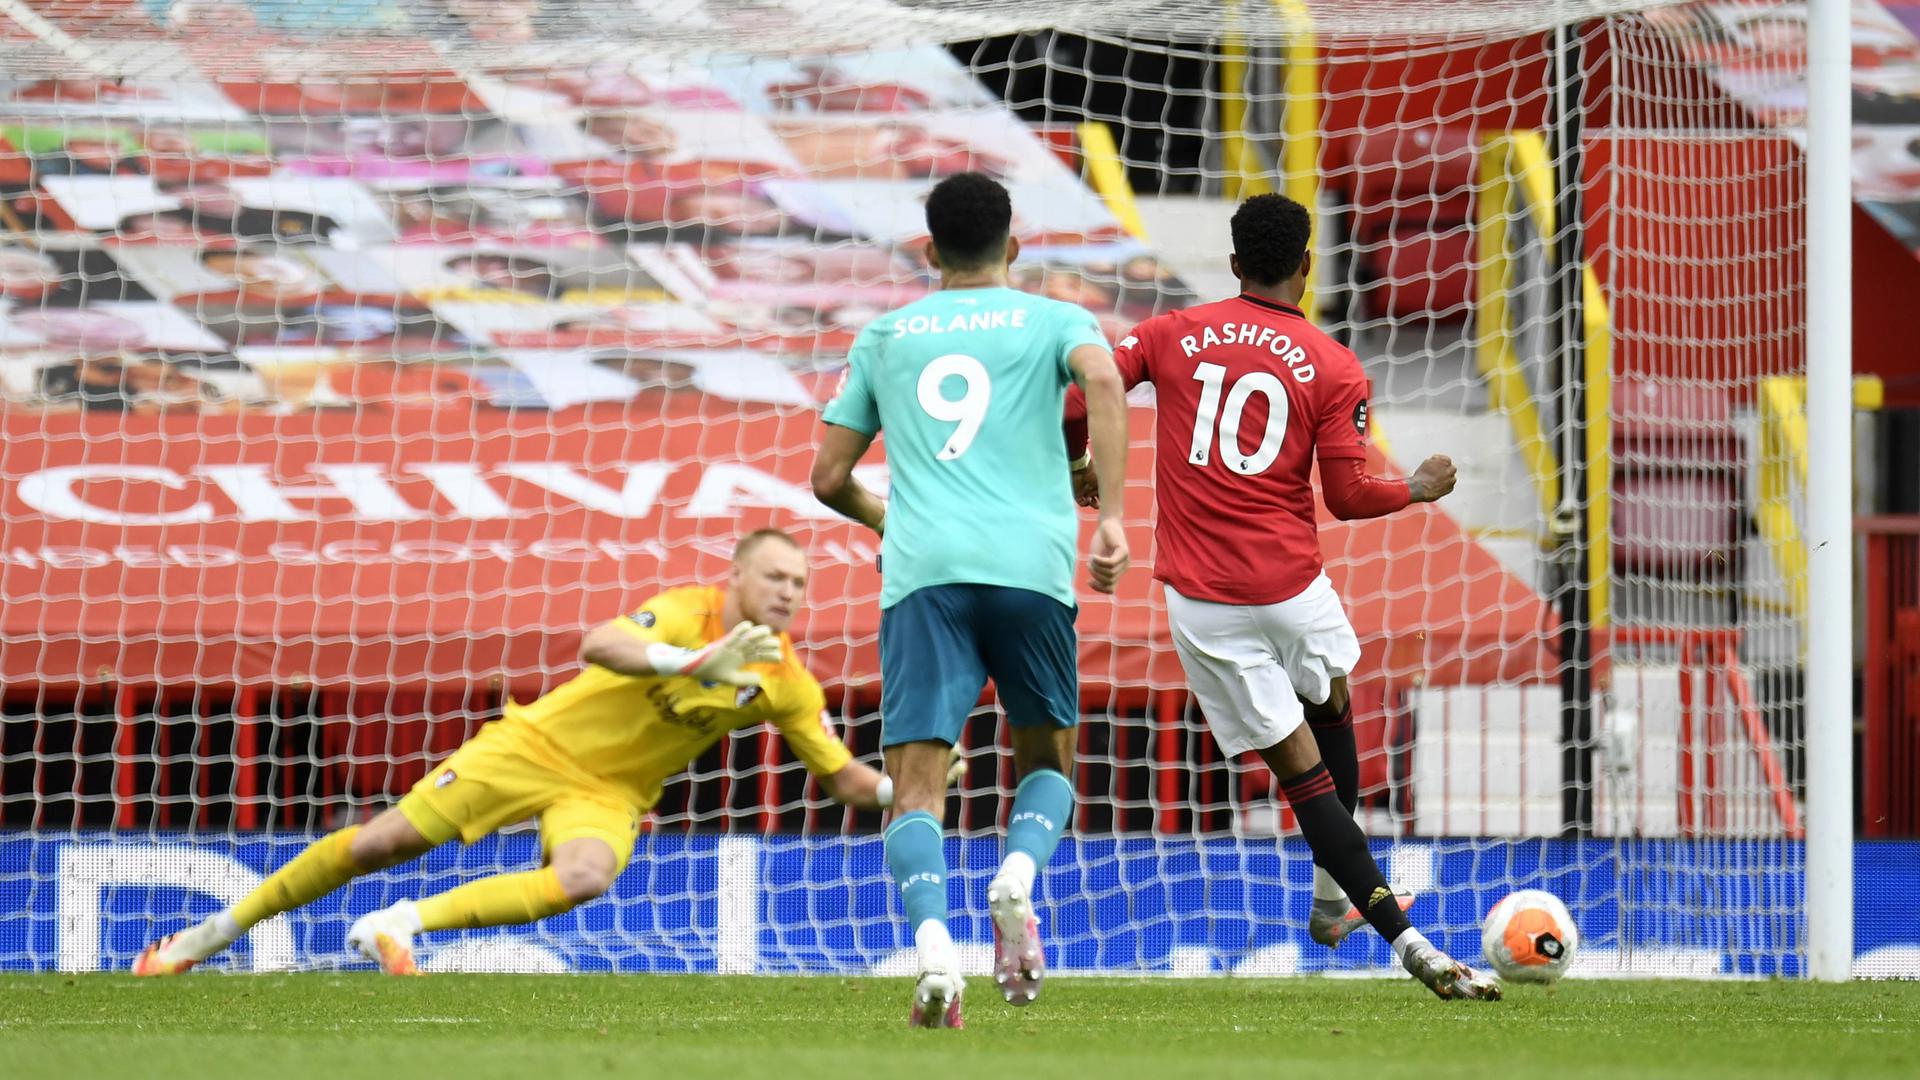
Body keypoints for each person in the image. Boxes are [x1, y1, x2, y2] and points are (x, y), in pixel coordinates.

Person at [133, 530, 953, 975]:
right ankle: (209, 935)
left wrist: (902, 789)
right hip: (533, 745)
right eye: (774, 575)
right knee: (382, 841)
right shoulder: (682, 611)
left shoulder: (785, 681)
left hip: (608, 794)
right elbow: (601, 644)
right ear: (735, 576)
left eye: (800, 584)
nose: (788, 592)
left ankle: (399, 924)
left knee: (586, 879)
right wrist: (690, 662)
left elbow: (839, 774)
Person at [1062, 193, 1499, 1001]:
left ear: (1231, 264)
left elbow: (1078, 395)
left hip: (1206, 602)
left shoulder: (1168, 335)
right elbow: (1348, 496)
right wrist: (1420, 489)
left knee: (1300, 776)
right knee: (1332, 701)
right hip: (1294, 589)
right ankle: (1354, 912)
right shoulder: (1333, 364)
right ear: (1308, 266)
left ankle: (1377, 926)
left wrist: (1079, 460)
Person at [809, 172, 1131, 1027]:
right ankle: (1017, 878)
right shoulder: (1055, 318)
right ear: (1015, 247)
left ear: (928, 251)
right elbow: (1103, 380)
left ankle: (937, 961)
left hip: (925, 574)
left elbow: (828, 478)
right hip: (1031, 566)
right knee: (1048, 765)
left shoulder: (886, 334)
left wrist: (893, 520)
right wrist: (1115, 520)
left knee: (916, 789)